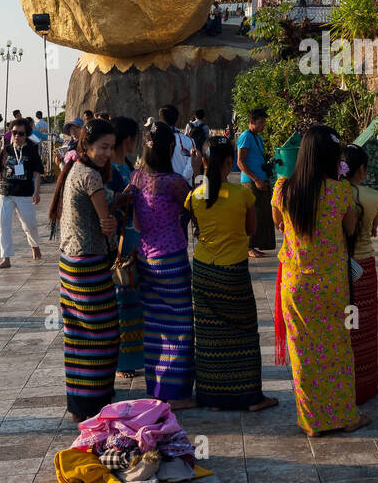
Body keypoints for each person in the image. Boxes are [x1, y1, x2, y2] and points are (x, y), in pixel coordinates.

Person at [271, 125, 368, 436]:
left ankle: (312, 422)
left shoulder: (284, 189)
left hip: (295, 284)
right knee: (338, 349)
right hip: (331, 285)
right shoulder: (341, 193)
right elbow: (351, 230)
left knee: (303, 353)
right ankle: (344, 416)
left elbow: (278, 223)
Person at [185, 137, 278, 412]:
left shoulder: (196, 195)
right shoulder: (242, 195)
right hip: (232, 272)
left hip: (203, 270)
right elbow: (250, 231)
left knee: (210, 335)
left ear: (205, 162)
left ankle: (213, 397)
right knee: (245, 333)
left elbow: (197, 226)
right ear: (229, 163)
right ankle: (251, 398)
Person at [48, 118, 121, 421]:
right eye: (103, 147)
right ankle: (94, 402)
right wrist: (116, 225)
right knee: (103, 333)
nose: (108, 153)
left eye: (111, 147)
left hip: (70, 263)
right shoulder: (90, 176)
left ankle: (81, 402)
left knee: (78, 334)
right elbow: (105, 224)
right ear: (87, 145)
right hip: (89, 263)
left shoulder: (74, 169)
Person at [127, 122, 195, 409]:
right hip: (171, 259)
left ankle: (156, 387)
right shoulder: (174, 182)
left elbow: (136, 219)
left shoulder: (135, 178)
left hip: (145, 257)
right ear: (170, 148)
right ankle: (176, 393)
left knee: (154, 325)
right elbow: (195, 208)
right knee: (180, 324)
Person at [342, 144, 378, 404]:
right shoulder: (374, 196)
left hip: (340, 265)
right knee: (364, 327)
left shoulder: (335, 194)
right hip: (365, 265)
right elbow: (374, 229)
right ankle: (364, 385)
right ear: (363, 169)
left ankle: (343, 383)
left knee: (345, 326)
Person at [107, 116, 145, 381]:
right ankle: (121, 361)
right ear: (128, 140)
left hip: (134, 240)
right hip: (119, 242)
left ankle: (135, 356)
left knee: (134, 300)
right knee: (122, 300)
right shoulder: (109, 170)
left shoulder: (127, 165)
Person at [0, 118, 44, 269]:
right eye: (14, 133)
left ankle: (35, 246)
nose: (17, 136)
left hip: (24, 193)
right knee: (3, 225)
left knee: (29, 225)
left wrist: (37, 192)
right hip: (5, 191)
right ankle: (6, 258)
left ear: (26, 135)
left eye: (21, 133)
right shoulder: (6, 150)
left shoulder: (31, 151)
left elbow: (37, 173)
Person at [236, 108, 275, 257]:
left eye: (264, 122)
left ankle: (257, 244)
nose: (263, 125)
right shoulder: (246, 136)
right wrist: (257, 179)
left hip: (261, 179)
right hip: (251, 182)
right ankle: (248, 246)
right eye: (261, 122)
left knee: (264, 213)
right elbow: (240, 162)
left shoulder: (257, 137)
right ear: (252, 122)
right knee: (253, 213)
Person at [159, 105, 199, 184]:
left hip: (161, 187)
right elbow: (191, 164)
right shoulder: (189, 141)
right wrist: (180, 181)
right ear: (177, 120)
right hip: (184, 188)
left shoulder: (155, 140)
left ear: (160, 120)